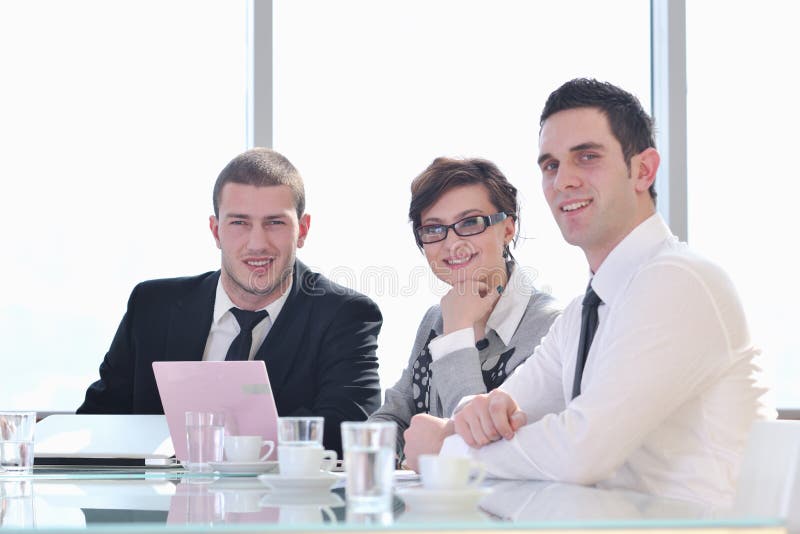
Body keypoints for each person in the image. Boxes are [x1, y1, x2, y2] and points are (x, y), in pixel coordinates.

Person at [403, 79, 774, 506]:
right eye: (551, 165)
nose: (564, 180)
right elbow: (493, 408)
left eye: (588, 157)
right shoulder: (587, 310)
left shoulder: (678, 281)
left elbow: (581, 451)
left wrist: (449, 449)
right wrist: (462, 426)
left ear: (644, 170)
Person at [78, 148, 383, 454]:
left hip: (284, 500)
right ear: (216, 231)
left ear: (302, 231)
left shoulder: (345, 315)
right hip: (158, 499)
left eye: (275, 223)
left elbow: (347, 433)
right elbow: (99, 420)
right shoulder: (152, 307)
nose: (257, 243)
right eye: (239, 223)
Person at [369, 157, 560, 462]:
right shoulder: (435, 319)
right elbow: (392, 418)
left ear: (508, 228)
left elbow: (481, 446)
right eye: (433, 229)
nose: (452, 243)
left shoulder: (550, 326)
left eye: (471, 222)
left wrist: (457, 333)